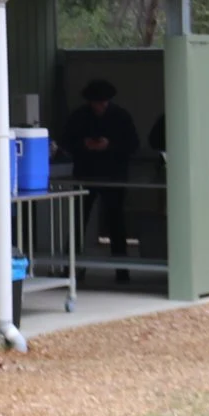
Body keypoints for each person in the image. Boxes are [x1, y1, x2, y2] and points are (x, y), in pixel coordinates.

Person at [61, 79, 140, 282]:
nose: (101, 106)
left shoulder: (121, 117)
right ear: (90, 102)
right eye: (97, 102)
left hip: (113, 176)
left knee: (116, 224)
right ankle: (71, 269)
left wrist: (110, 145)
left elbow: (133, 144)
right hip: (86, 175)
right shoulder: (79, 117)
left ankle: (122, 272)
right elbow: (66, 142)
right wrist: (84, 145)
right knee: (78, 223)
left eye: (104, 102)